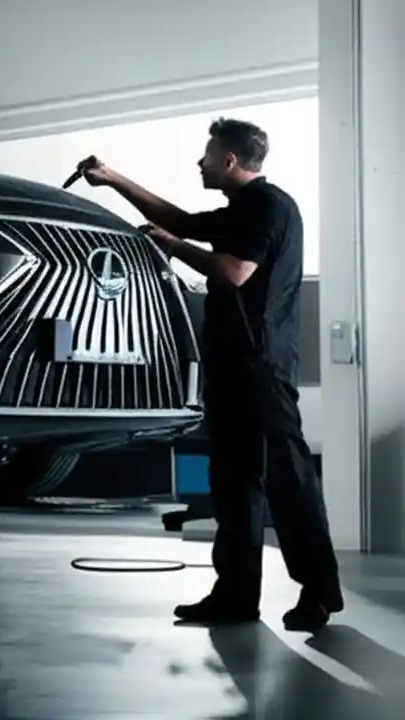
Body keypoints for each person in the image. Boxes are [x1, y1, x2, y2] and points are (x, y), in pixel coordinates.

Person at [76, 118, 343, 632]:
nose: (198, 163)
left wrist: (172, 246)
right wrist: (113, 179)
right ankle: (235, 596)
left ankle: (320, 593)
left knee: (287, 479)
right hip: (233, 364)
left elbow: (234, 271)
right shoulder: (242, 210)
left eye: (207, 155)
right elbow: (179, 219)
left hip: (262, 367)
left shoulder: (269, 207)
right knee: (234, 482)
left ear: (229, 160)